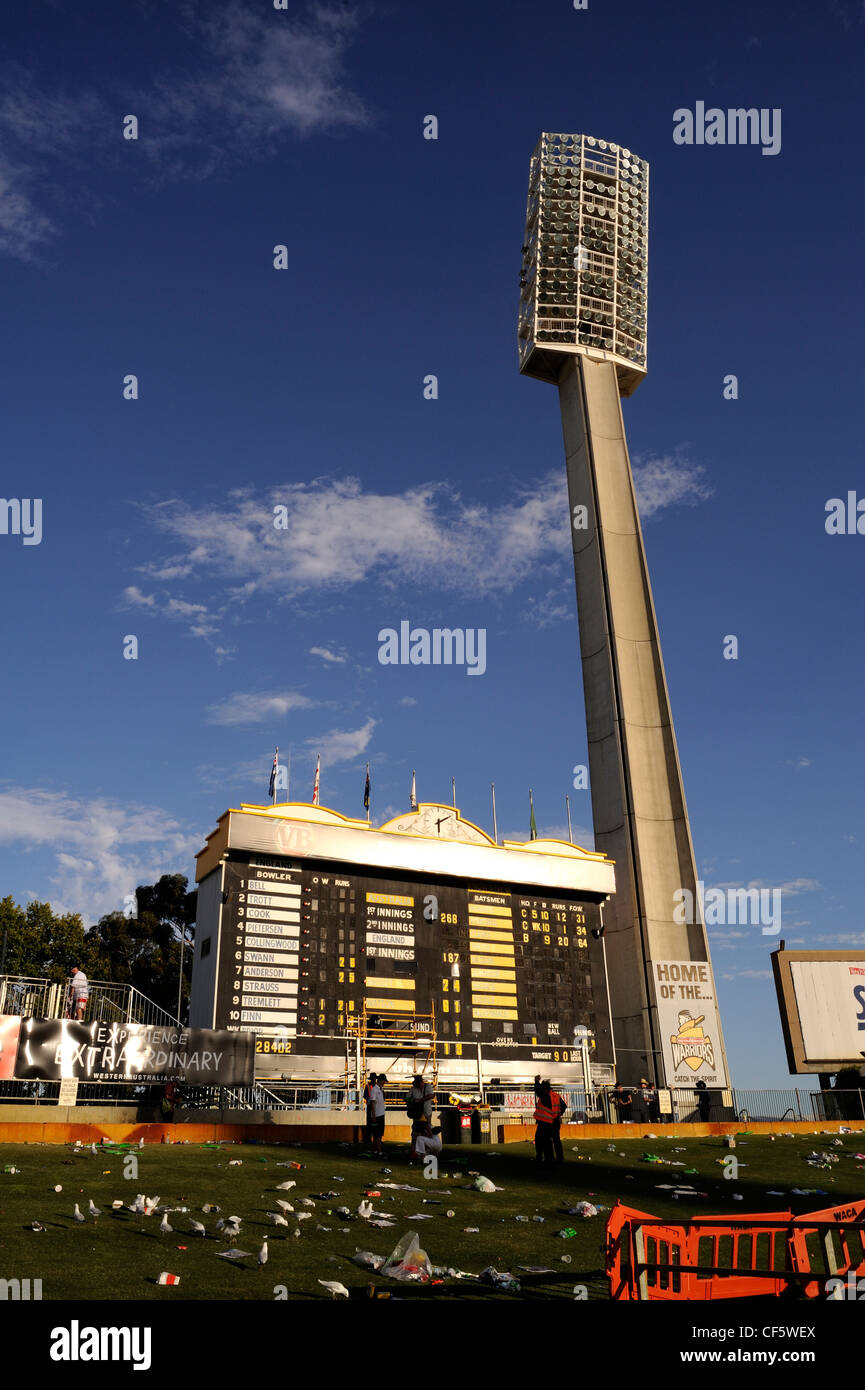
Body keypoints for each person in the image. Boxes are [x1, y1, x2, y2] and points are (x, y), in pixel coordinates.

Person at [533, 1077, 562, 1169]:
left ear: (544, 1089)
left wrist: (536, 1081)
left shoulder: (545, 1096)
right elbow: (563, 1107)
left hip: (545, 1123)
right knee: (556, 1141)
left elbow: (538, 1090)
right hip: (555, 1122)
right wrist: (557, 1115)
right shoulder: (556, 1096)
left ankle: (545, 1160)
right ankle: (559, 1159)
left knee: (542, 1141)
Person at [406, 1073, 434, 1161]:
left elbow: (431, 1095)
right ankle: (415, 1152)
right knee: (416, 1133)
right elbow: (407, 1099)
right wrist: (414, 1101)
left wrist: (420, 1100)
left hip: (426, 1113)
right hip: (417, 1114)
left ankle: (426, 1152)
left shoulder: (428, 1086)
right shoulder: (413, 1089)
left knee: (426, 1132)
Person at [367, 1074, 386, 1154]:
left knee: (378, 1134)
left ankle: (375, 1149)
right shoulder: (375, 1089)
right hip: (377, 1115)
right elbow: (372, 1102)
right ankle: (379, 1150)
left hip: (381, 1114)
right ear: (381, 1080)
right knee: (377, 1134)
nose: (384, 1083)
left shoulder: (380, 1089)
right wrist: (374, 1115)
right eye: (384, 1081)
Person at [361, 1071, 378, 1148]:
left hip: (375, 1106)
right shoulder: (368, 1086)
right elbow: (365, 1096)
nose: (374, 1080)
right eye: (373, 1079)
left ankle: (375, 1139)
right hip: (370, 1106)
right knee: (369, 1123)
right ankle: (369, 1139)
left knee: (374, 1123)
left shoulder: (377, 1087)